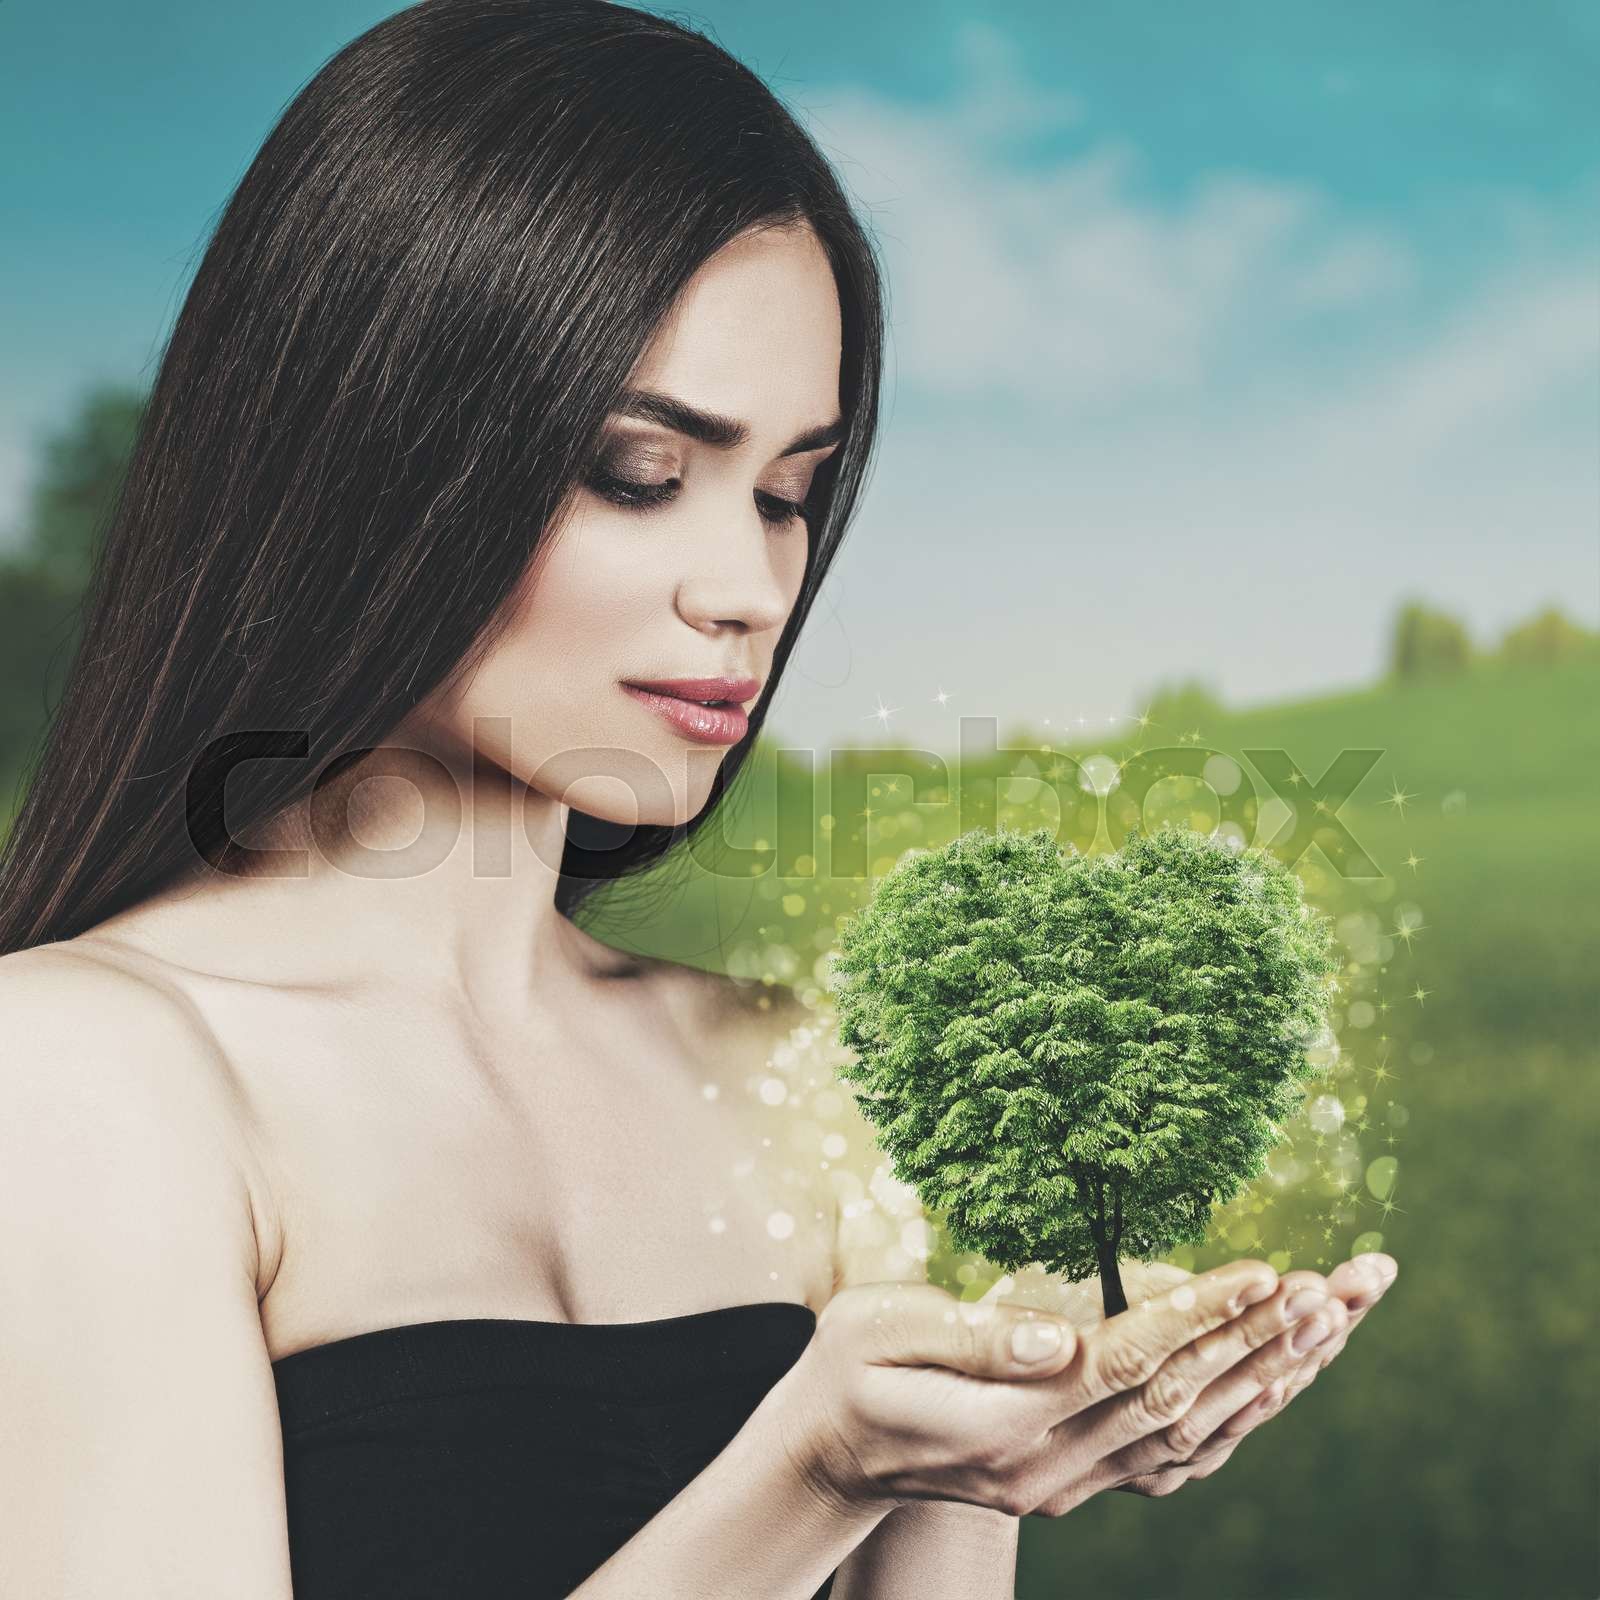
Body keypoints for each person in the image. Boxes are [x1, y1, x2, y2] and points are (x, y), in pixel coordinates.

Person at [0, 2, 1397, 1595]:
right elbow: (819, 1467)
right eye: (641, 475)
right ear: (375, 454)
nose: (749, 588)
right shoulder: (82, 1078)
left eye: (791, 493)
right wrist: (816, 1471)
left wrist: (987, 1448)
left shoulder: (806, 1081)